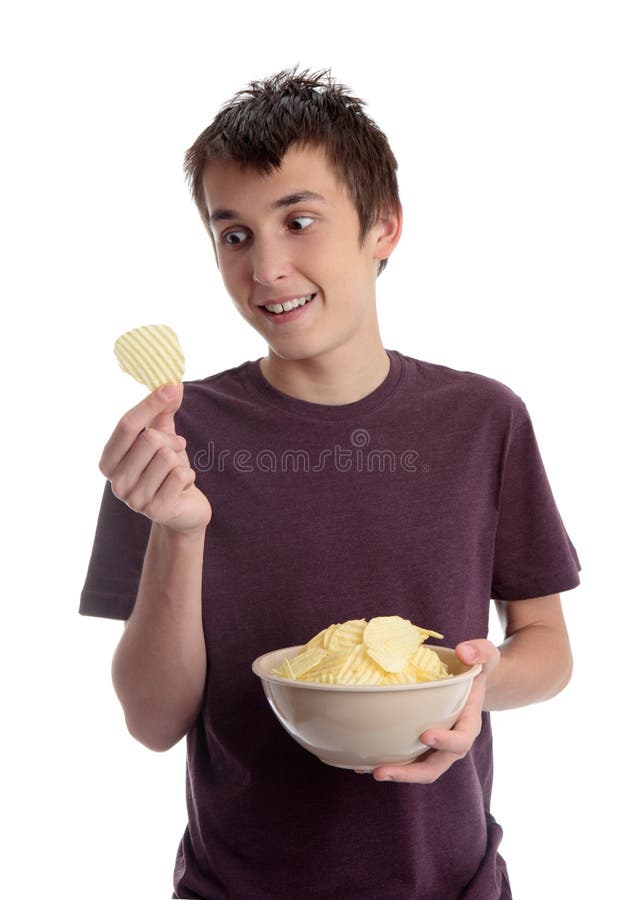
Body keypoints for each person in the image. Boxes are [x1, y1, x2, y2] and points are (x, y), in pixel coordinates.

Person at [80, 66, 581, 899]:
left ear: (382, 226)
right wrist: (179, 532)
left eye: (298, 221)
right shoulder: (173, 439)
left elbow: (549, 649)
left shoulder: (483, 419)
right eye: (232, 234)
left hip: (449, 883)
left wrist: (470, 688)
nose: (266, 267)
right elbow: (152, 721)